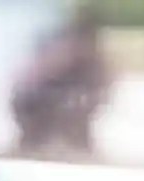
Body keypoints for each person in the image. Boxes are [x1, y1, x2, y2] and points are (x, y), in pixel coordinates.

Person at [11, 7, 110, 158]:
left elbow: (100, 91)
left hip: (62, 111)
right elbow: (25, 89)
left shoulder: (92, 65)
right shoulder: (57, 54)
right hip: (35, 104)